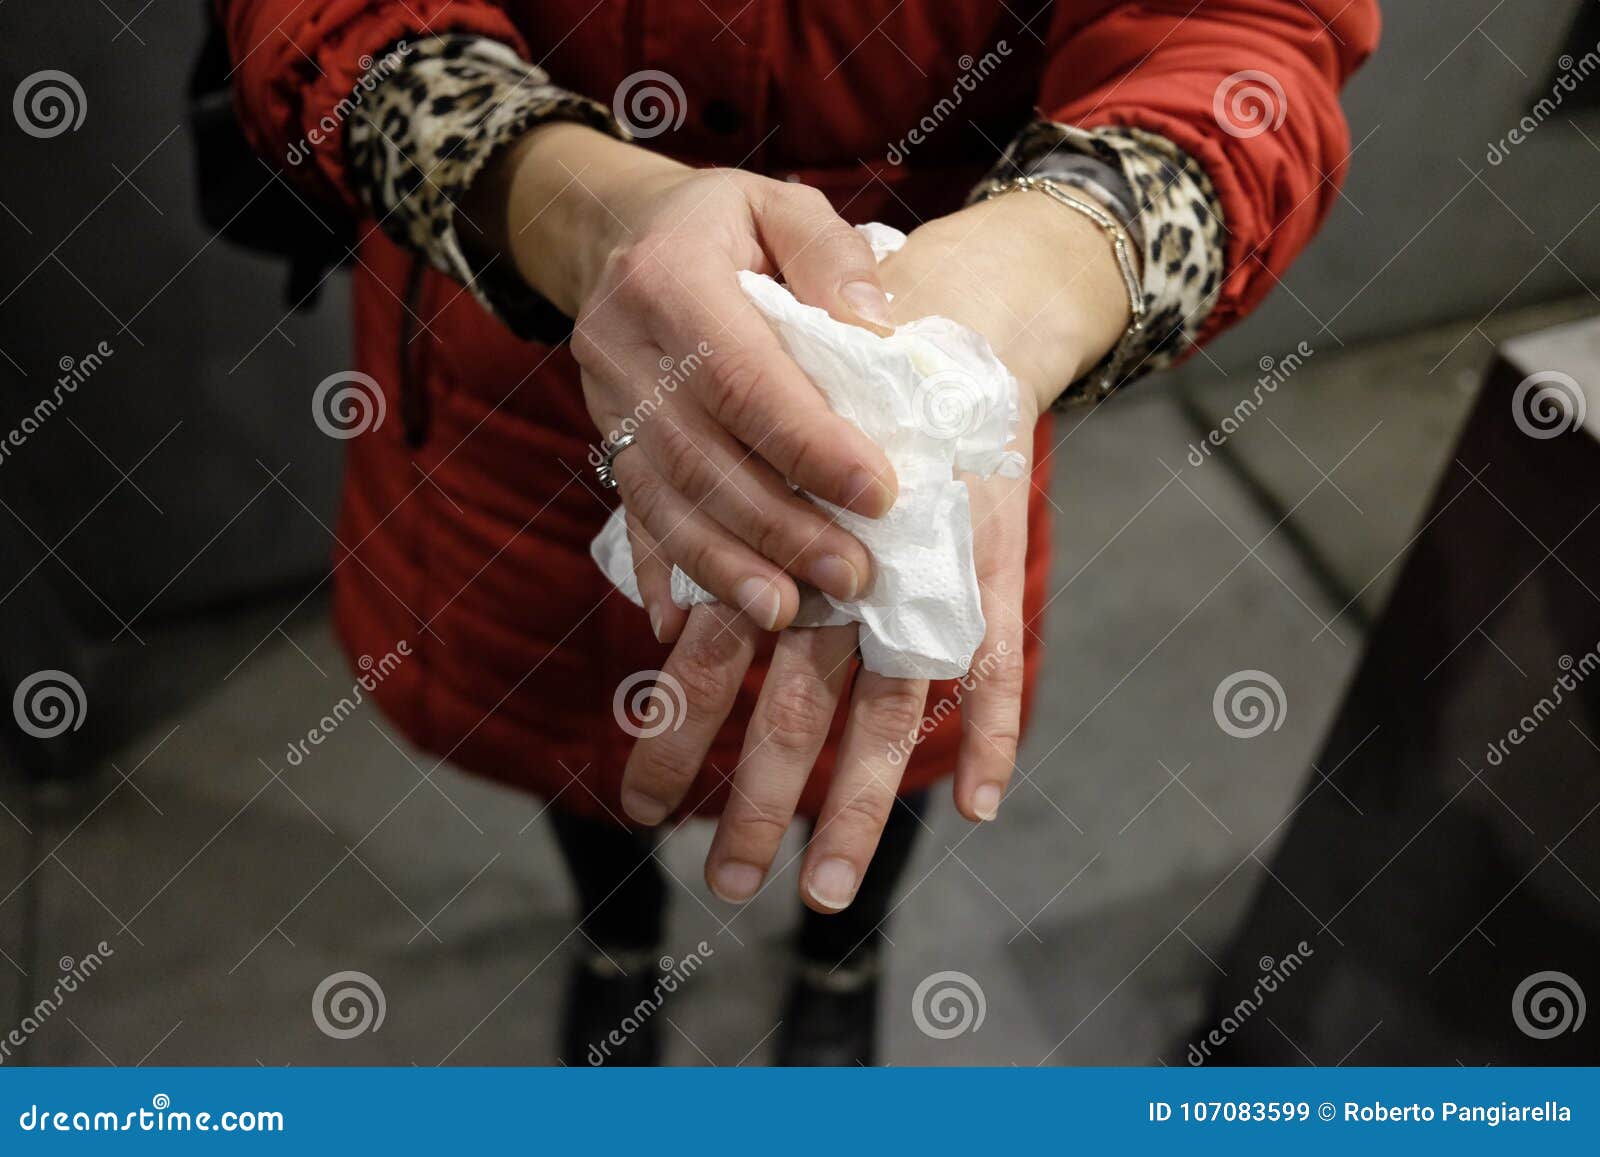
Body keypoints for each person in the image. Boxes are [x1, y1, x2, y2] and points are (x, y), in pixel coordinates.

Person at [222, 0, 1380, 1065]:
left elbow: (1244, 34)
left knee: (889, 713)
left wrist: (1049, 260)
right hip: (518, 385)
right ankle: (618, 938)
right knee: (578, 731)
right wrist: (571, 201)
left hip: (944, 396)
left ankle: (843, 956)